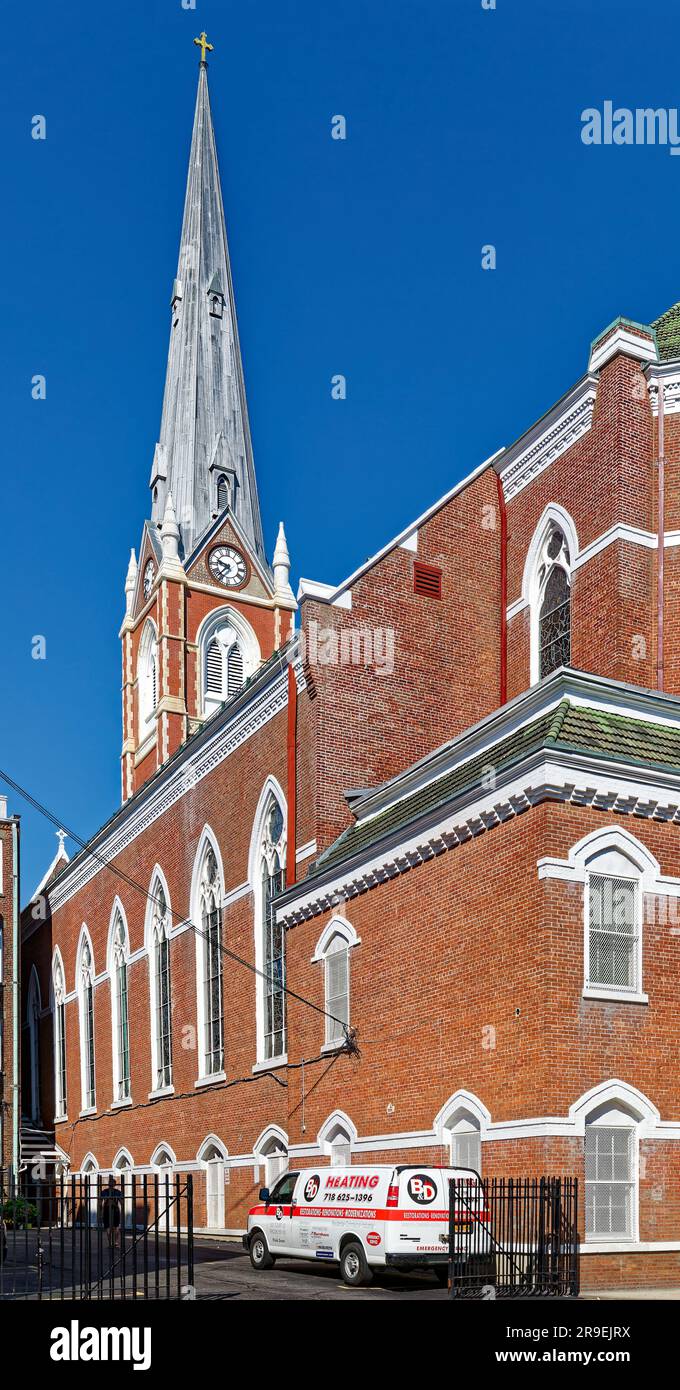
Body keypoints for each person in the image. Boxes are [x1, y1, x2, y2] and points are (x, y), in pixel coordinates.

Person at [100, 1177, 123, 1250]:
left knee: (115, 1227)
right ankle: (112, 1243)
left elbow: (122, 1202)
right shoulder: (104, 1192)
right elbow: (100, 1203)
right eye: (110, 1183)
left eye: (112, 1183)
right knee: (109, 1227)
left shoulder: (117, 1192)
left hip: (114, 1210)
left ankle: (114, 1243)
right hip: (108, 1210)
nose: (111, 1184)